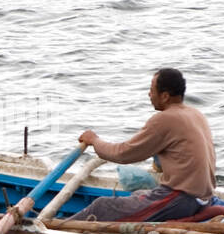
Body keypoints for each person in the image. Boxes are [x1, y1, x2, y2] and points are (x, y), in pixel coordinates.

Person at [66, 68, 216, 223]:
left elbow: (123, 154)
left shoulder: (165, 119)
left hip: (181, 200)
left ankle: (55, 231)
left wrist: (94, 141)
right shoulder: (196, 114)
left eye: (152, 90)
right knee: (138, 194)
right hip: (204, 198)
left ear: (165, 96)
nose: (149, 94)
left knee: (102, 206)